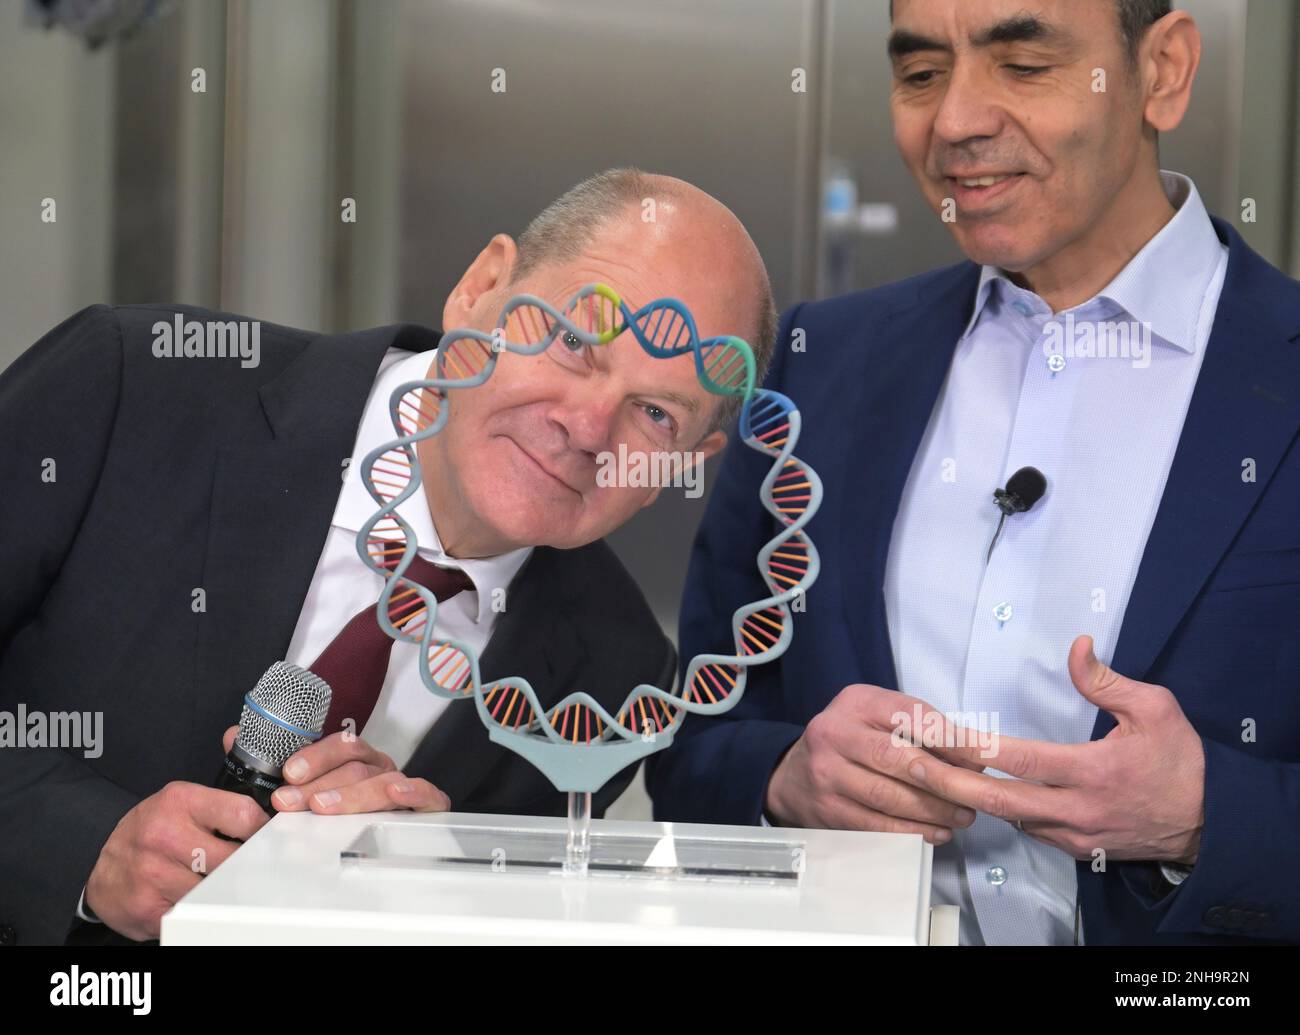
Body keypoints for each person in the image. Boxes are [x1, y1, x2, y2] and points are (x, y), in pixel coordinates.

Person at [649, 0, 1300, 945]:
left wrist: (1207, 817)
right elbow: (692, 740)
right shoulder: (818, 364)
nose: (954, 121)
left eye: (1024, 65)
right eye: (920, 75)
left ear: (1162, 70)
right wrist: (783, 779)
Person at [0, 167, 777, 944]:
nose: (585, 426)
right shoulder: (135, 383)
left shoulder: (616, 676)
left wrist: (415, 899)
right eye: (574, 341)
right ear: (480, 286)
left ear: (682, 463)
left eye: (654, 412)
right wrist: (83, 845)